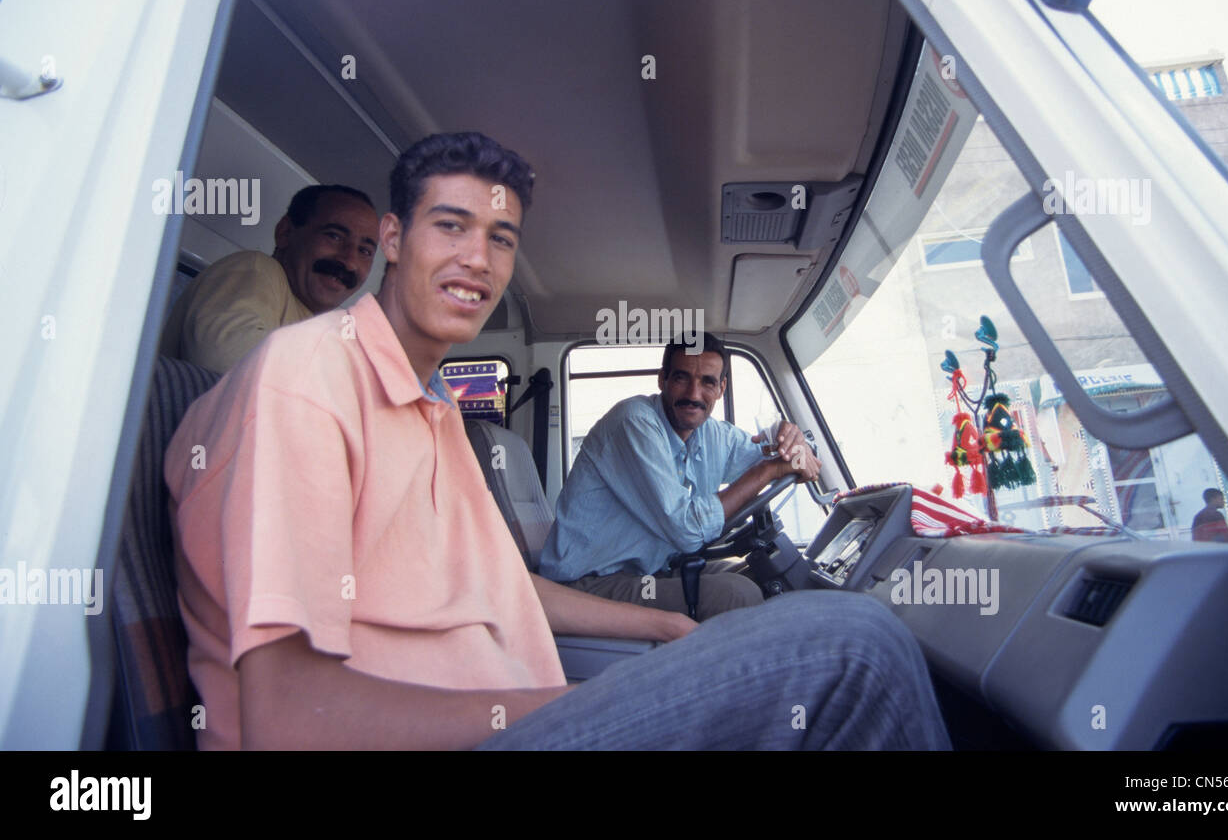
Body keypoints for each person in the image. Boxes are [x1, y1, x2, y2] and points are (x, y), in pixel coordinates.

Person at [165, 130, 949, 751]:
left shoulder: (429, 407)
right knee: (852, 646)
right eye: (452, 225)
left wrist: (663, 626)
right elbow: (289, 716)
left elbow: (504, 587)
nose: (479, 257)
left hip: (526, 716)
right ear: (395, 239)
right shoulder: (306, 378)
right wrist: (573, 704)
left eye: (501, 238)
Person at [537, 333, 821, 619]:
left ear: (721, 388)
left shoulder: (712, 434)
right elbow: (686, 530)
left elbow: (775, 455)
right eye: (682, 378)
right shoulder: (634, 422)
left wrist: (795, 443)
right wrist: (767, 471)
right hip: (585, 585)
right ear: (663, 380)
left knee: (762, 577)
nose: (694, 395)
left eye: (708, 382)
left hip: (650, 572)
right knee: (739, 594)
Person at [159, 184, 379, 373]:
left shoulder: (320, 327)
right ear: (285, 233)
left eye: (365, 251)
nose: (350, 261)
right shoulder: (255, 268)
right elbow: (224, 358)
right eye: (334, 236)